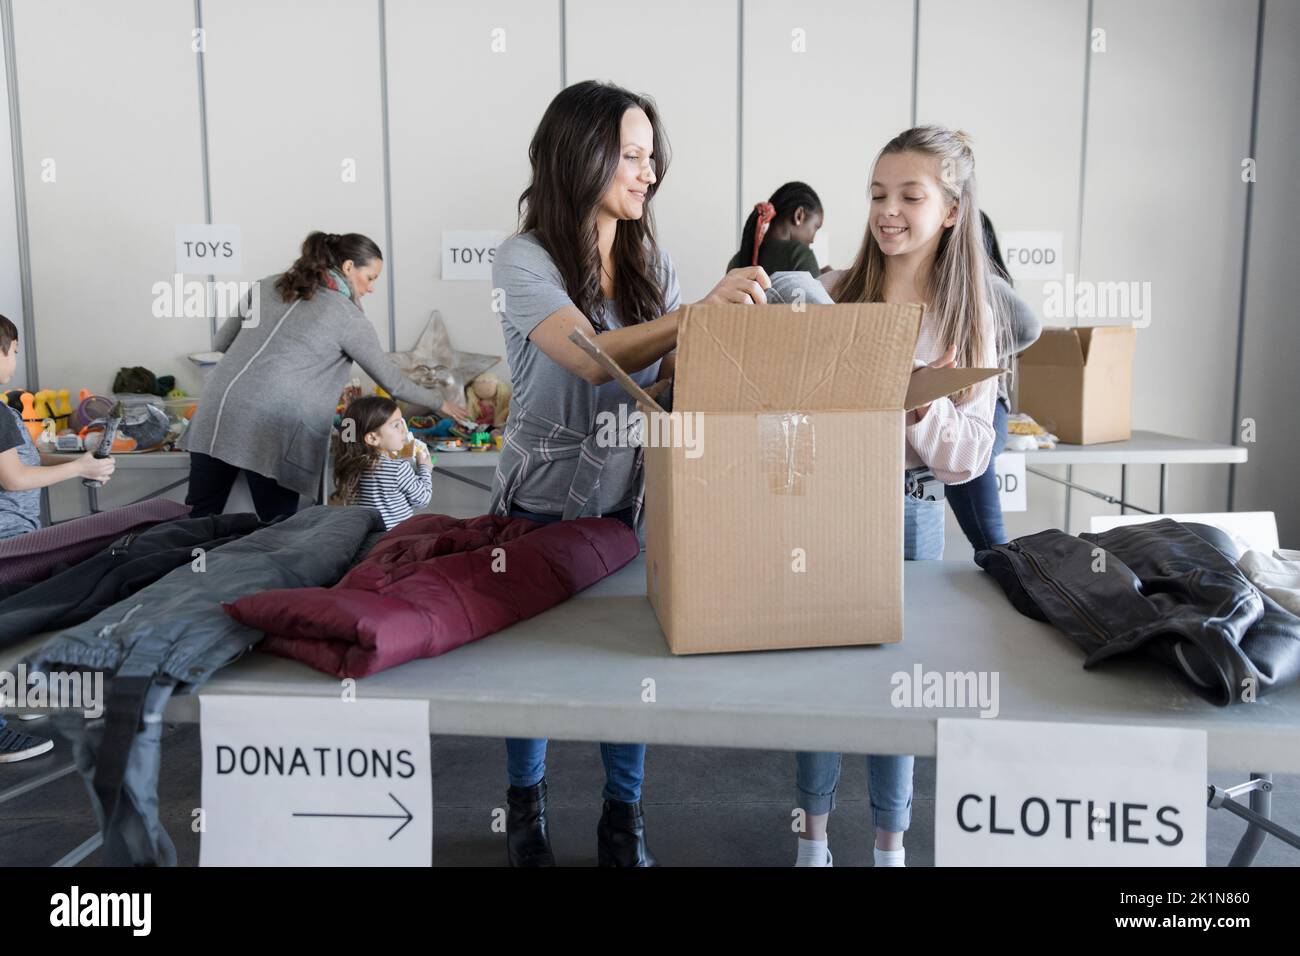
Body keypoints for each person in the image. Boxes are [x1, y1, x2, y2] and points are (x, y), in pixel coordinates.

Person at [490, 79, 770, 867]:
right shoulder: (524, 259)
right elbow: (586, 359)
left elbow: (677, 369)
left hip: (632, 506)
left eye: (654, 158)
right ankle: (526, 808)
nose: (648, 173)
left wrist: (729, 342)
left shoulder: (651, 262)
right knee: (534, 672)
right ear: (583, 155)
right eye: (632, 155)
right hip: (544, 505)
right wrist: (695, 317)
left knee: (629, 670)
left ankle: (624, 819)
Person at [797, 126, 1012, 867]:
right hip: (826, 509)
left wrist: (922, 405)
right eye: (879, 194)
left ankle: (890, 848)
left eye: (910, 196)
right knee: (823, 691)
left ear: (951, 210)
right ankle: (813, 843)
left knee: (895, 693)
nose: (888, 211)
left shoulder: (971, 316)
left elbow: (968, 462)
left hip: (911, 516)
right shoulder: (835, 292)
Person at [183, 232, 466, 522]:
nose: (370, 288)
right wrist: (440, 403)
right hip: (272, 425)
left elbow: (220, 344)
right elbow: (392, 381)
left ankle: (177, 566)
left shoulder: (267, 285)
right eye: (370, 278)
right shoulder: (347, 317)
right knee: (277, 527)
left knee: (198, 517)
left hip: (216, 412)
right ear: (347, 268)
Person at [0, 314, 115, 763]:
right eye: (12, 353)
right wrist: (79, 469)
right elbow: (13, 478)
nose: (13, 363)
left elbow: (19, 458)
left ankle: (11, 692)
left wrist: (75, 458)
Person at [944, 211, 1042, 553]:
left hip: (986, 407)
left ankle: (1004, 562)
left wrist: (980, 354)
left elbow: (1029, 328)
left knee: (969, 453)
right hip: (941, 404)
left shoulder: (983, 282)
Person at [330, 395, 432, 530]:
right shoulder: (399, 468)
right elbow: (422, 499)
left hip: (365, 539)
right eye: (396, 425)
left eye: (402, 422)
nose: (404, 430)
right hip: (394, 540)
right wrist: (425, 468)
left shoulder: (351, 463)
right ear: (372, 438)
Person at [727, 181, 826, 277]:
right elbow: (813, 294)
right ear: (799, 215)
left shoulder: (737, 260)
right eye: (816, 227)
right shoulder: (799, 254)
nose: (813, 240)